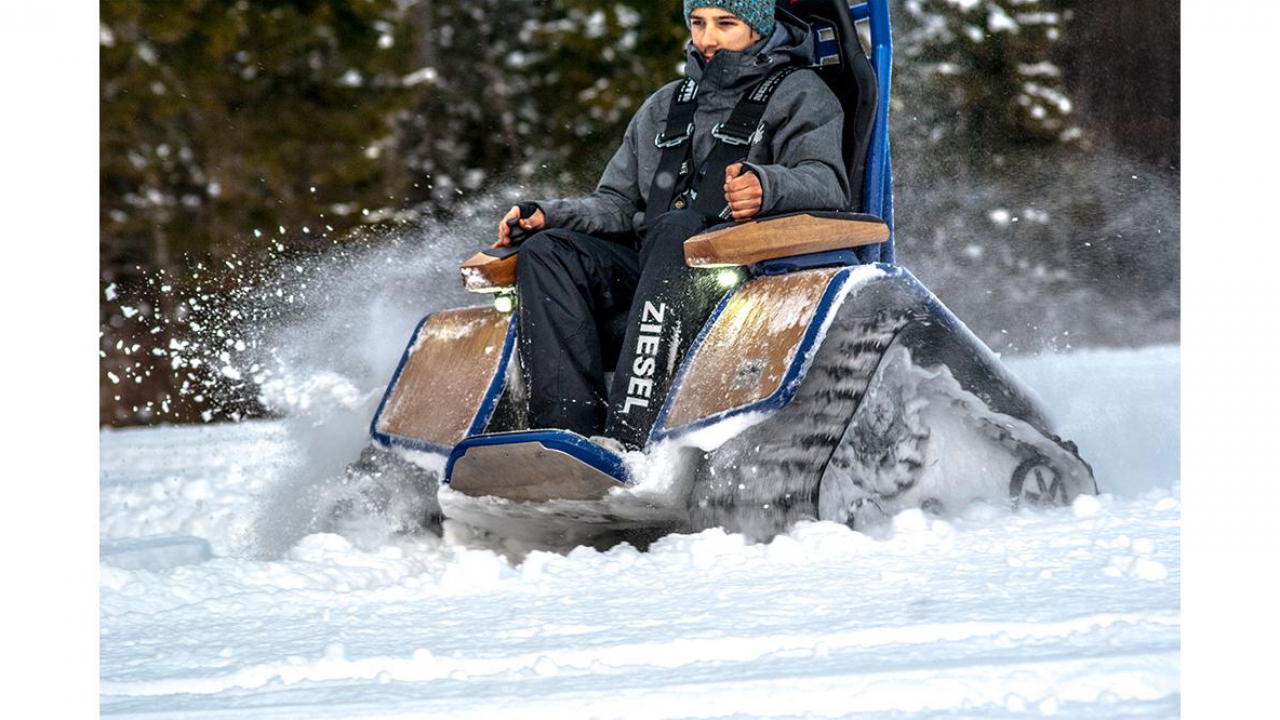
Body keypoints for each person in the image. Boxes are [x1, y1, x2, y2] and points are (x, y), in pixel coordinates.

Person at [494, 0, 849, 451]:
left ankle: (630, 442)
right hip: (653, 266)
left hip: (743, 278)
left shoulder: (800, 93)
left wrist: (766, 185)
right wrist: (549, 216)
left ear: (760, 28)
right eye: (698, 23)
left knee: (677, 229)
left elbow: (827, 181)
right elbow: (618, 203)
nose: (707, 39)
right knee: (548, 252)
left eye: (726, 23)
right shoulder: (666, 105)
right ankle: (568, 441)